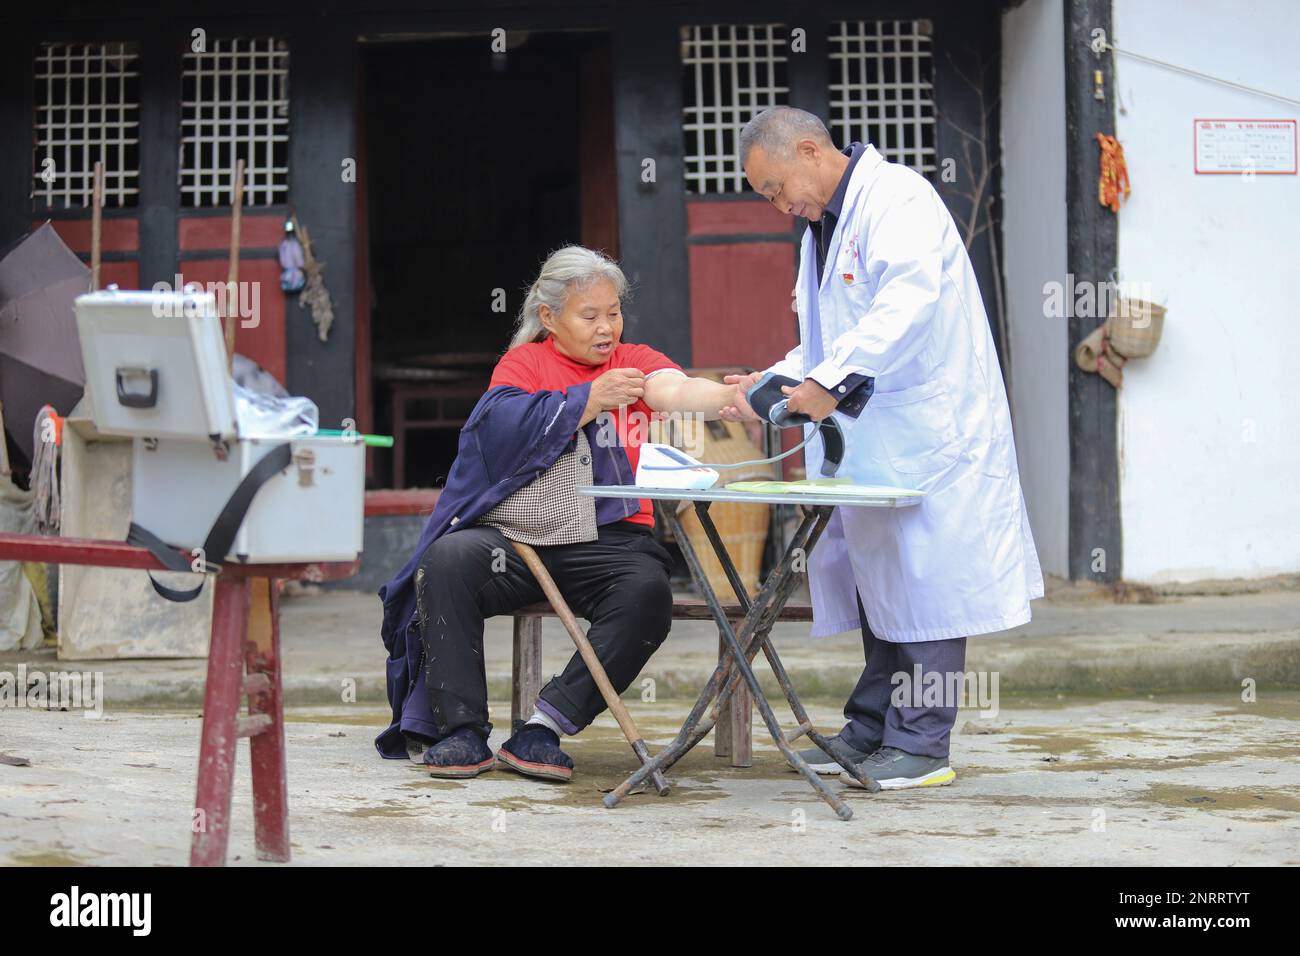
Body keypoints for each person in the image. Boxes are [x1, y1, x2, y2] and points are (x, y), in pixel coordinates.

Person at [722, 107, 1044, 790]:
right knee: (883, 592)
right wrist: (778, 378)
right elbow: (832, 337)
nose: (780, 206)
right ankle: (870, 730)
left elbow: (905, 305)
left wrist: (826, 382)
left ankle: (923, 745)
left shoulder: (897, 199)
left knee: (925, 591)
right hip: (875, 438)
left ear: (810, 150)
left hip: (930, 431)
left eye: (777, 188)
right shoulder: (823, 227)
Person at [375, 245, 738, 781]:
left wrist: (728, 394)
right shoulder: (524, 364)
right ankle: (463, 731)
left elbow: (675, 388)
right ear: (549, 318)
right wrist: (586, 400)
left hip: (610, 543)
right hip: (521, 544)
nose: (606, 327)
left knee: (647, 593)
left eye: (613, 312)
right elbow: (497, 430)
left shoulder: (632, 360)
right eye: (589, 315)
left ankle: (543, 727)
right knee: (448, 560)